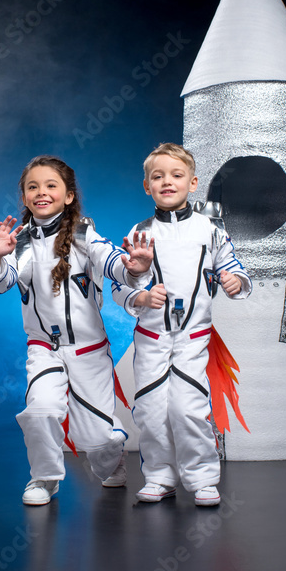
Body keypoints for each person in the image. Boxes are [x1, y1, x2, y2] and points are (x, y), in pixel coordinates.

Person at [0, 155, 153, 506]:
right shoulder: (19, 242)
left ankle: (111, 460)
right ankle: (44, 477)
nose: (41, 192)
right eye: (33, 187)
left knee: (98, 439)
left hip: (88, 350)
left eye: (50, 185)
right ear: (24, 197)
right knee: (40, 410)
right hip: (44, 348)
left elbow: (112, 262)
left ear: (69, 196)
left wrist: (135, 267)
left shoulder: (84, 235)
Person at [111, 143, 251, 507]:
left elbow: (233, 267)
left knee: (188, 407)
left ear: (193, 183)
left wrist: (235, 282)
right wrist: (141, 295)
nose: (167, 182)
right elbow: (121, 284)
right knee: (151, 409)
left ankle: (203, 478)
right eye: (158, 177)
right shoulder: (140, 232)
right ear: (147, 186)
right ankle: (160, 477)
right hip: (152, 336)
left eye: (176, 175)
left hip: (192, 336)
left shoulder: (210, 230)